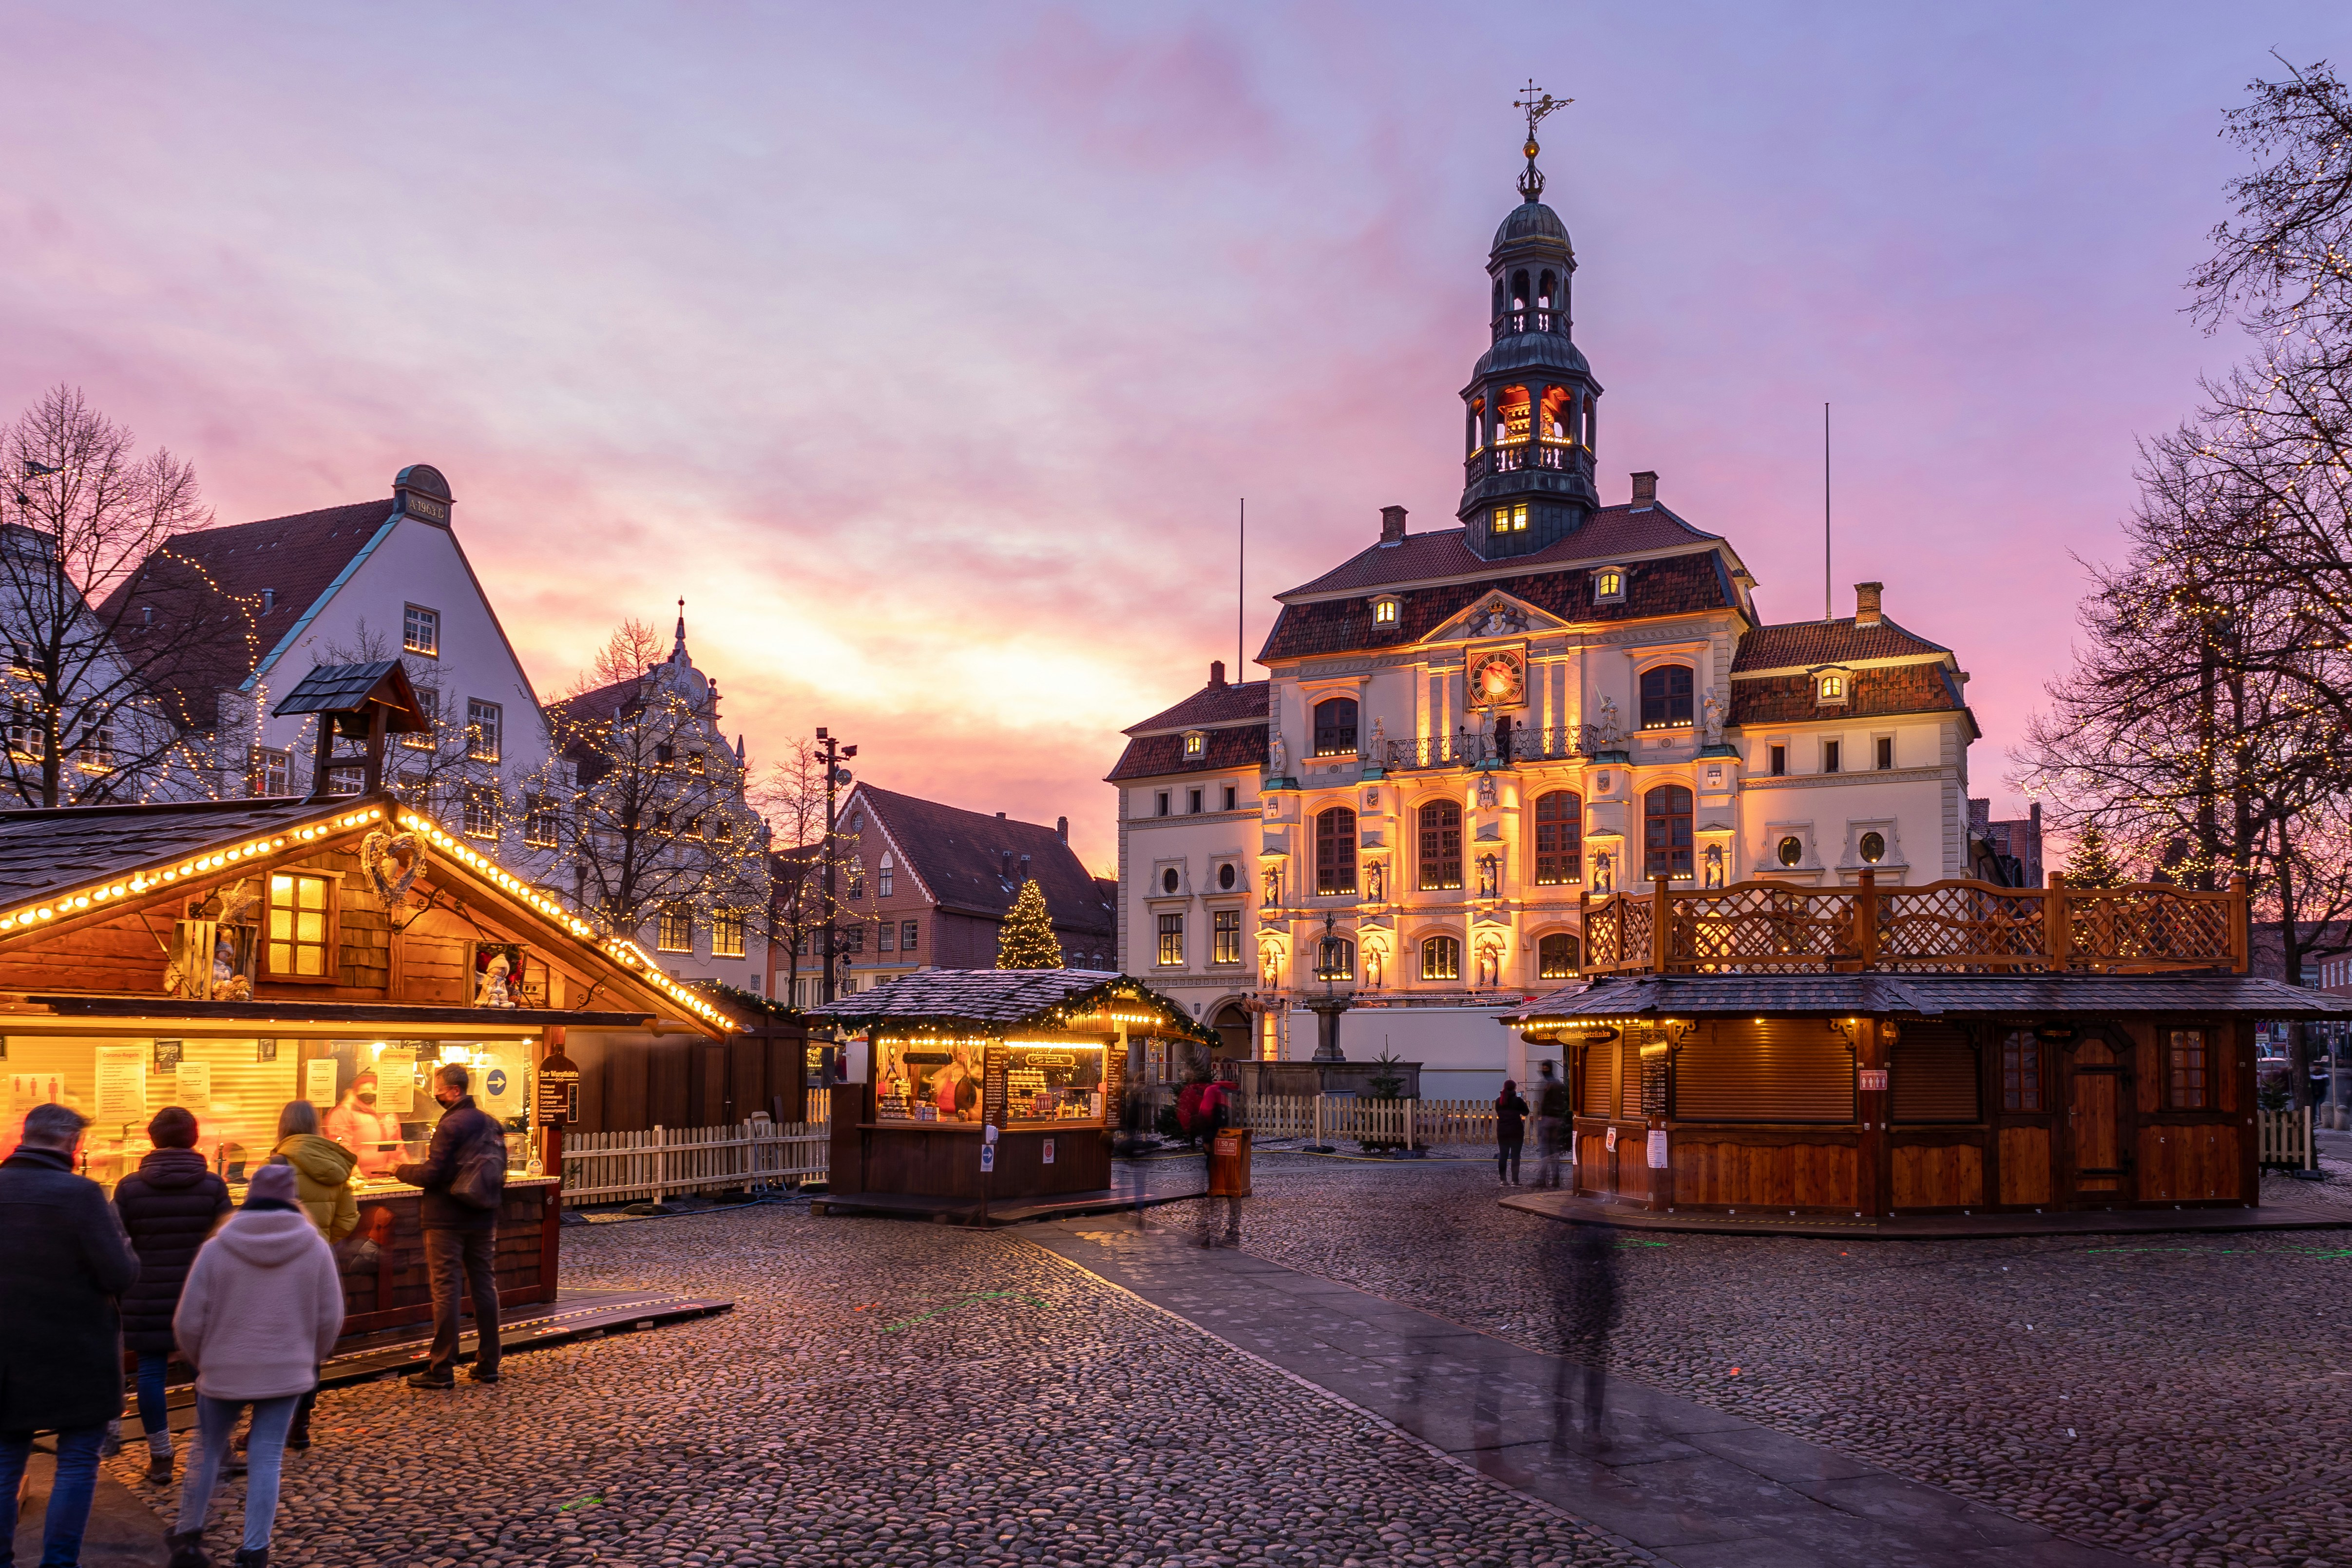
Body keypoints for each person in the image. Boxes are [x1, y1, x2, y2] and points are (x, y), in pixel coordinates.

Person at [169, 1161, 344, 1568]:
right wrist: (309, 1358)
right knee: (267, 1458)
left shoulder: (216, 1248)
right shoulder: (315, 1246)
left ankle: (189, 1538)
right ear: (292, 1198)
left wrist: (202, 1362)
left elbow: (188, 1320)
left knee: (208, 1450)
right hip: (287, 1371)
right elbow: (330, 1317)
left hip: (222, 1368)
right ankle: (254, 1550)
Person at [0, 1104, 141, 1567]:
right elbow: (120, 1274)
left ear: (27, 1136)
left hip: (6, 1357)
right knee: (78, 1462)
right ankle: (59, 1563)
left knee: (4, 1463)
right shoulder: (82, 1196)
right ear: (71, 1145)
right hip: (77, 1353)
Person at [114, 1105, 233, 1484]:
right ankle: (216, 1451)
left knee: (151, 1371)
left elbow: (117, 1242)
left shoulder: (130, 1187)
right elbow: (226, 1241)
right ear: (193, 1138)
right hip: (202, 1292)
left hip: (145, 1294)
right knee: (206, 1372)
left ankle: (162, 1457)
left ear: (153, 1140)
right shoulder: (213, 1185)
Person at [394, 1064, 508, 1390]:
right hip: (484, 1216)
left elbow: (432, 1175)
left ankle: (442, 1367)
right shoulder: (490, 1122)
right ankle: (488, 1364)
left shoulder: (451, 1124)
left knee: (447, 1290)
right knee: (485, 1286)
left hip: (446, 1219)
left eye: (439, 1089)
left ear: (454, 1091)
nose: (436, 1094)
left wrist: (398, 1169)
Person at [271, 1101, 359, 1243]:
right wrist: (323, 1241)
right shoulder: (336, 1164)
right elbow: (347, 1220)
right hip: (320, 1252)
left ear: (283, 1126)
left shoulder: (273, 1165)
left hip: (282, 1251)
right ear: (316, 1126)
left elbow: (257, 1216)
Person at [324, 1073, 403, 1177]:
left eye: (373, 1088)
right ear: (356, 1092)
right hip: (360, 1178)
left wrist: (408, 1169)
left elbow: (399, 1147)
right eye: (364, 1089)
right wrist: (355, 1173)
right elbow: (341, 1147)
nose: (369, 1092)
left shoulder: (389, 1113)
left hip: (389, 1176)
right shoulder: (344, 1113)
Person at [1193, 1079, 1240, 1248]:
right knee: (1225, 1192)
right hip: (1223, 1143)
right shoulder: (1222, 1093)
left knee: (1214, 1191)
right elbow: (1222, 1117)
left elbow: (1207, 1115)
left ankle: (1210, 1236)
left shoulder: (1211, 1091)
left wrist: (1206, 1139)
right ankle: (1230, 1233)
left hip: (1213, 1143)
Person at [1532, 1059, 1569, 1189]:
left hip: (1547, 1119)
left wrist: (1538, 1120)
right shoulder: (1559, 1084)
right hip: (1558, 1119)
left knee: (1545, 1151)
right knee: (1555, 1150)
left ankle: (1542, 1179)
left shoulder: (1543, 1084)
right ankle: (1556, 1179)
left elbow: (1540, 1103)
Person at [1494, 1078, 1530, 1186]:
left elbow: (1498, 1113)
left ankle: (1503, 1180)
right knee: (1515, 1156)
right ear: (1515, 1088)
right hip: (1516, 1131)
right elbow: (1526, 1113)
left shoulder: (1499, 1101)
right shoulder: (1518, 1101)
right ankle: (1515, 1180)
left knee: (1503, 1156)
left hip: (1503, 1131)